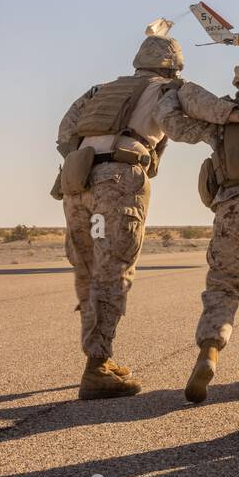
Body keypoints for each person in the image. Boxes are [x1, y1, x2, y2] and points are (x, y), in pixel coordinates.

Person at [55, 27, 209, 399]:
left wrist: (92, 160)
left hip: (77, 181)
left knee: (88, 268)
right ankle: (97, 366)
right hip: (119, 180)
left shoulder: (98, 90)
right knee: (114, 268)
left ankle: (98, 358)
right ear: (173, 66)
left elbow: (64, 133)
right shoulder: (165, 90)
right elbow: (178, 128)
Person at [158, 58, 239, 404]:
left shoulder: (221, 120)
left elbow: (173, 124)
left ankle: (210, 351)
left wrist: (170, 93)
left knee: (224, 287)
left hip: (231, 206)